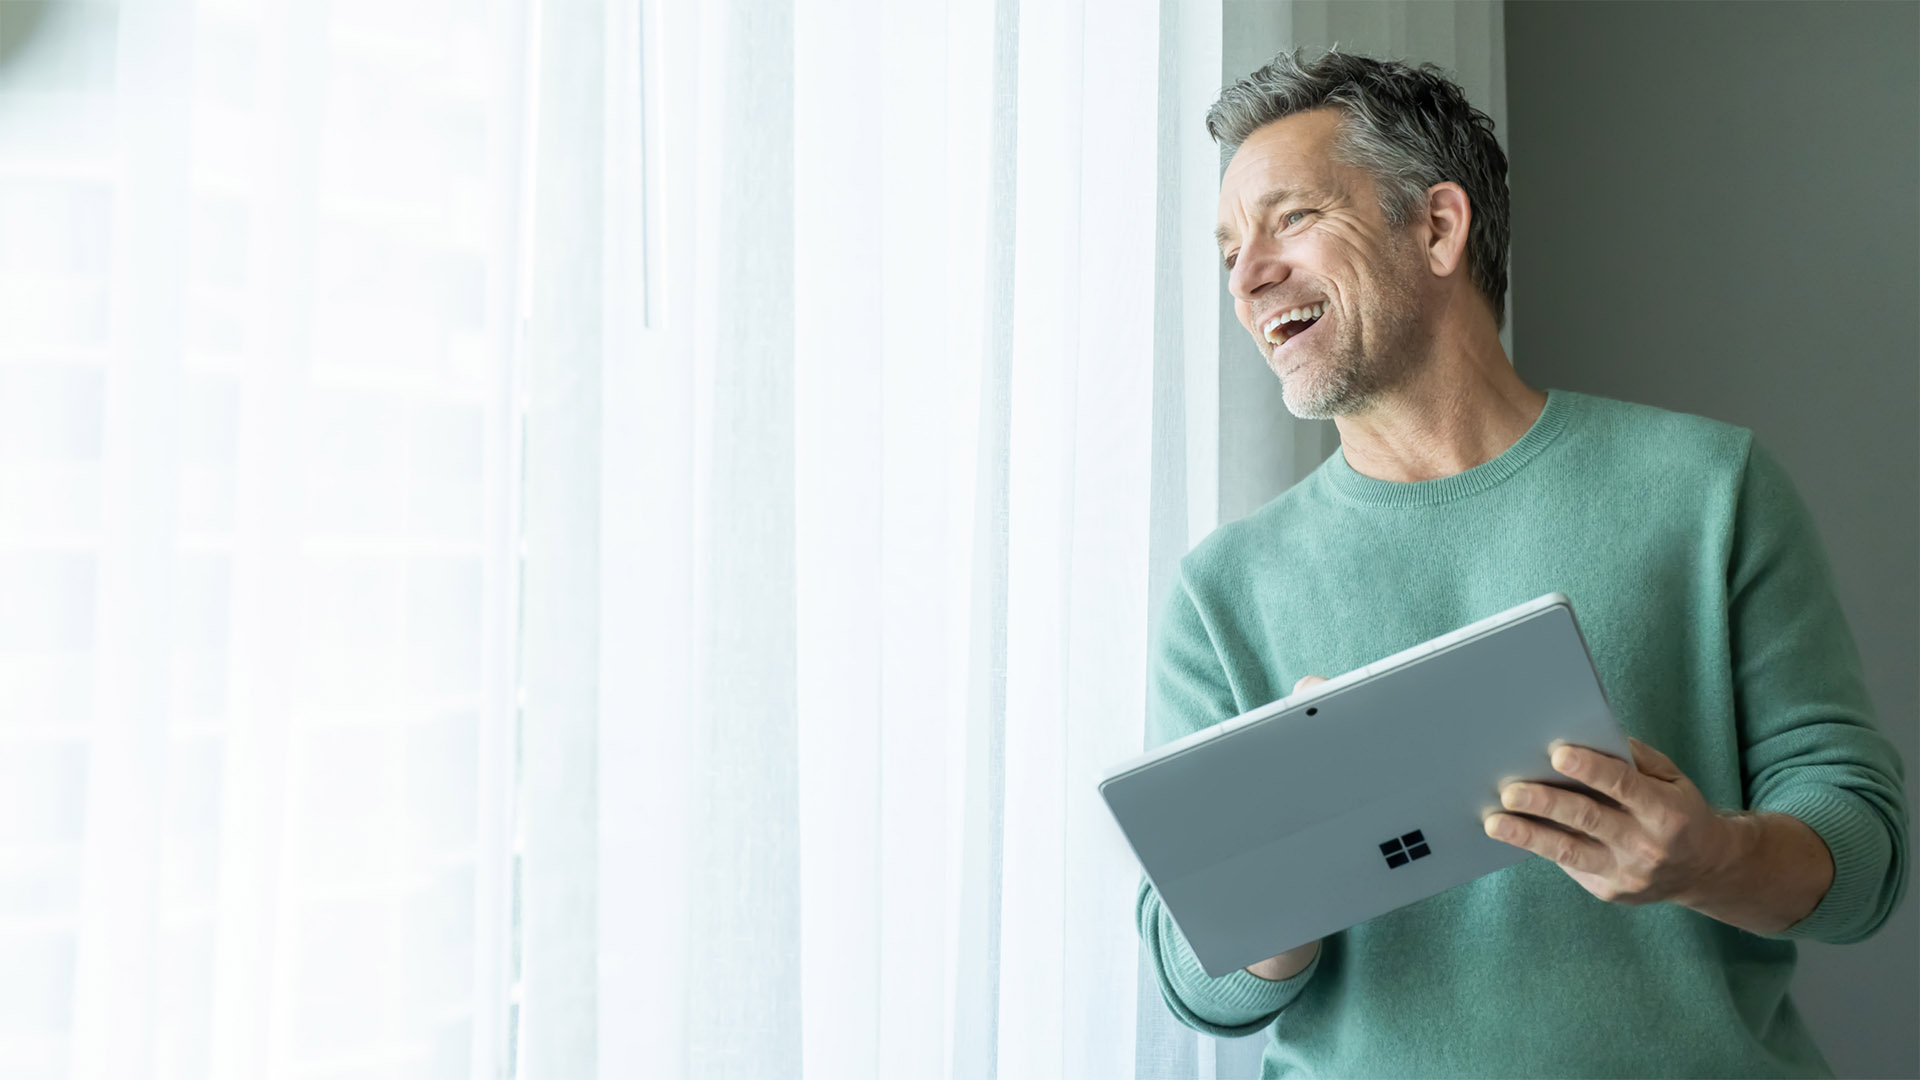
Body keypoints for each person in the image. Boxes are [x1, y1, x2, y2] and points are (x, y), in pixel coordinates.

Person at [1136, 45, 1909, 1078]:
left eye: (1293, 219)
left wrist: (1710, 858)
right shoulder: (1223, 591)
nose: (1246, 276)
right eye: (1228, 246)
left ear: (1439, 226)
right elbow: (1198, 990)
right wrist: (1286, 856)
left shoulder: (1707, 486)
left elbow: (1863, 860)